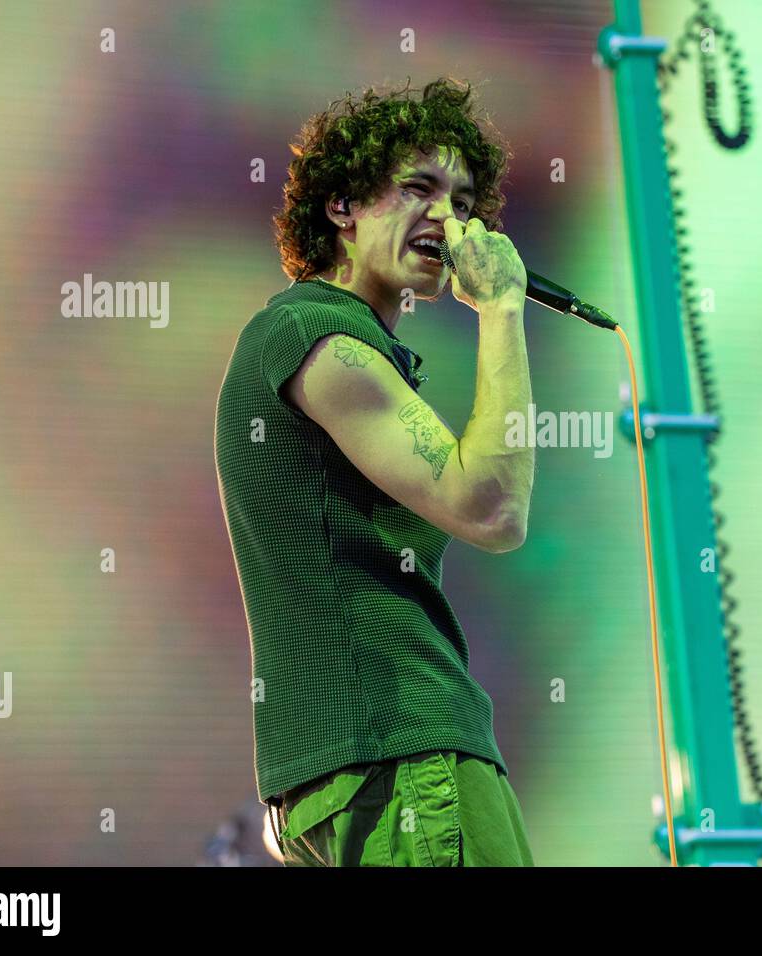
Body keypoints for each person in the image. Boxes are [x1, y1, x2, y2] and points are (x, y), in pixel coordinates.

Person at [214, 77, 535, 866]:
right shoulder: (323, 337)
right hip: (403, 757)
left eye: (462, 200)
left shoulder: (315, 340)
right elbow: (492, 507)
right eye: (418, 188)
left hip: (339, 779)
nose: (447, 217)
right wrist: (501, 311)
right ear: (341, 207)